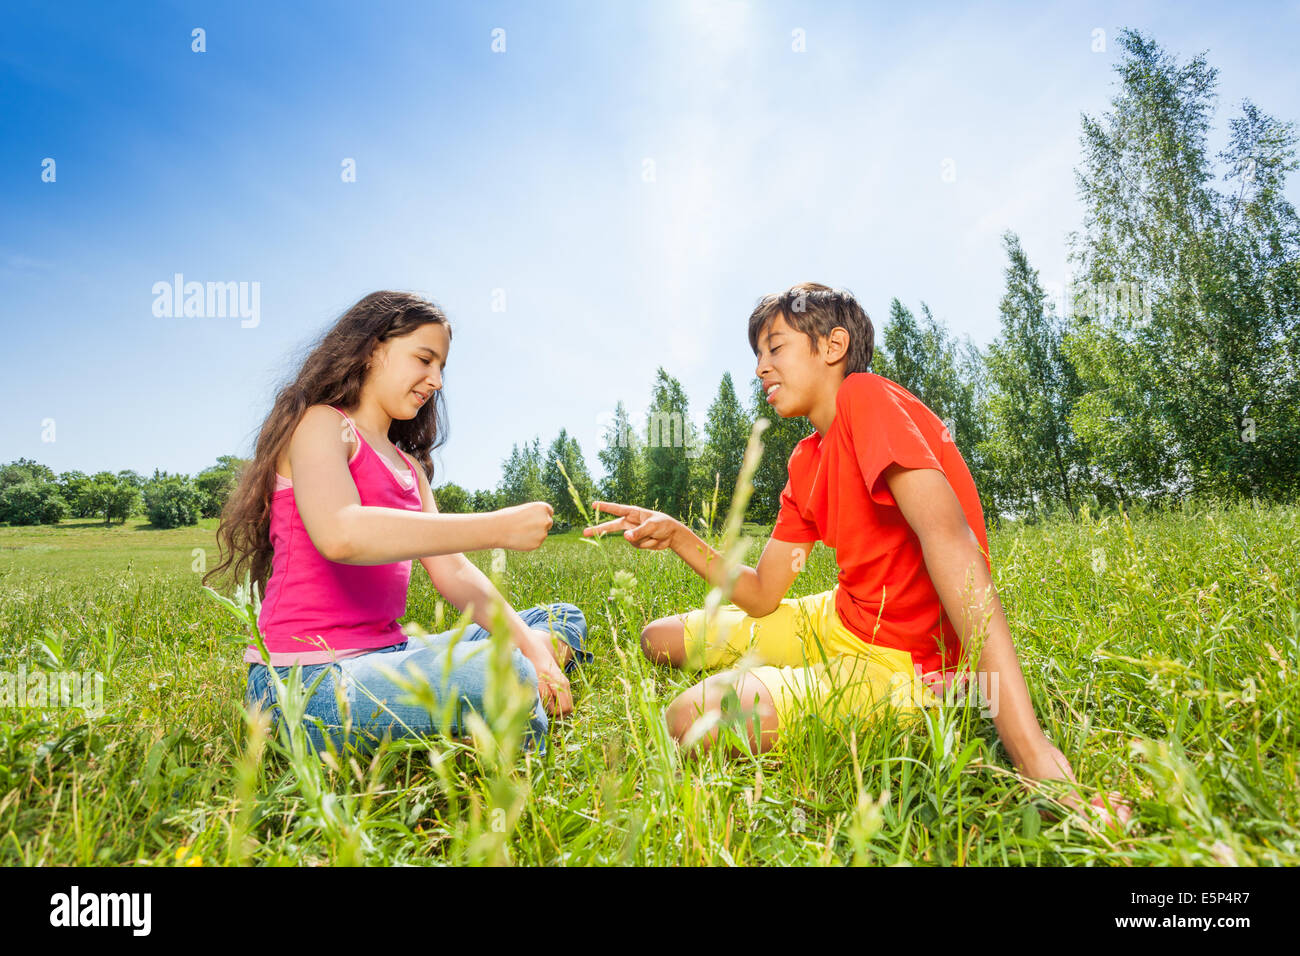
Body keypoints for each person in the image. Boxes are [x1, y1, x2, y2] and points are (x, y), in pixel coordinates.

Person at [584, 283, 1130, 830]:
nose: (760, 369)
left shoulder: (866, 398)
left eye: (775, 348)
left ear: (833, 346)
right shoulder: (805, 461)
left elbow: (954, 545)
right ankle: (800, 672)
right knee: (657, 638)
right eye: (757, 355)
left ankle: (810, 686)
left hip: (908, 664)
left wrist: (1033, 756)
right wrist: (679, 536)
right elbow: (761, 593)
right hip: (841, 618)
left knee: (692, 718)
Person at [206, 290, 592, 756]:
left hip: (388, 656)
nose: (437, 380)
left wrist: (533, 647)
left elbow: (455, 573)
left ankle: (476, 704)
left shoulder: (409, 469)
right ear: (372, 350)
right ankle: (492, 702)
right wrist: (494, 528)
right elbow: (342, 534)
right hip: (305, 681)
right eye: (424, 359)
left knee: (557, 621)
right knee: (509, 670)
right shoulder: (321, 426)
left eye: (442, 367)